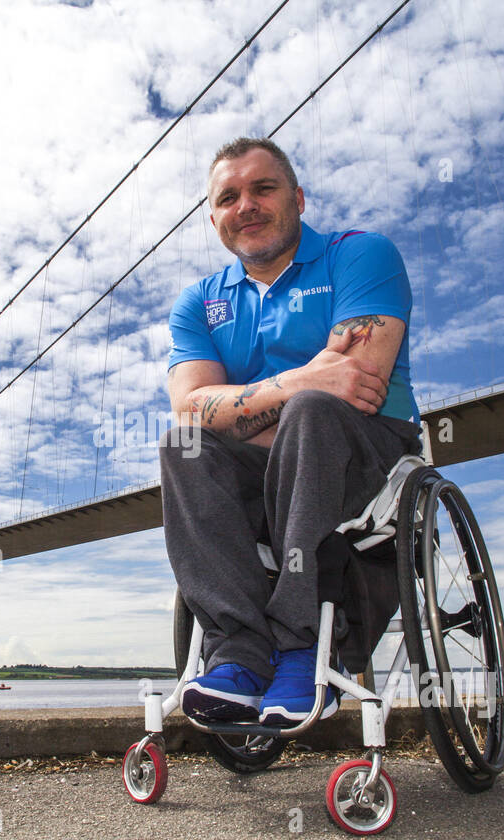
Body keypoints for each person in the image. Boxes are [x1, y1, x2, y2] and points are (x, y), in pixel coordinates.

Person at [160, 136, 423, 727]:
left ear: (298, 198)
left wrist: (238, 411)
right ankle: (240, 652)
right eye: (229, 197)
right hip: (271, 468)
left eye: (263, 188)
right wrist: (303, 380)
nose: (245, 205)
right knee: (184, 444)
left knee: (313, 417)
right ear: (214, 218)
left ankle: (306, 645)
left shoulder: (361, 256)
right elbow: (188, 413)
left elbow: (360, 381)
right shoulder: (199, 303)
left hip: (368, 454)